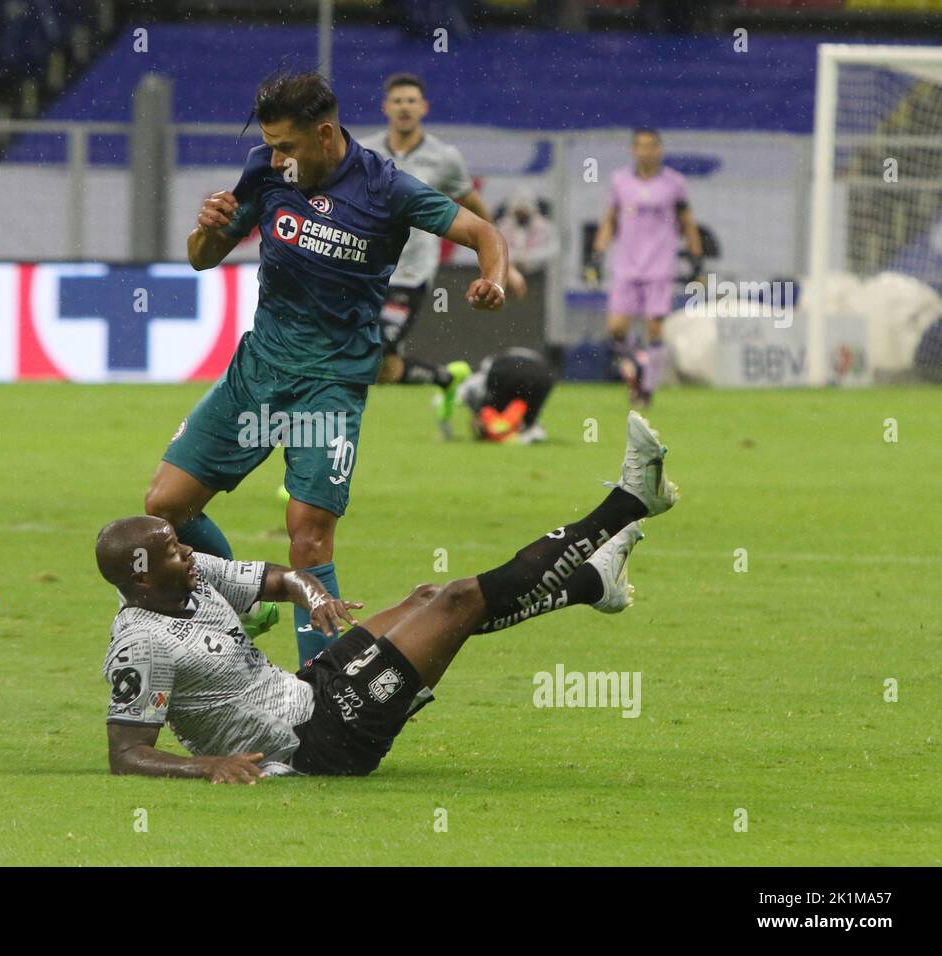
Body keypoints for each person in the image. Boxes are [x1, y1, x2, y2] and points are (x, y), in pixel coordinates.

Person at [145, 68, 524, 667]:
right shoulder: (266, 170)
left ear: (325, 135)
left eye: (286, 146)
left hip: (330, 383)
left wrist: (493, 280)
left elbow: (484, 231)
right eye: (270, 145)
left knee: (308, 532)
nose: (276, 157)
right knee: (166, 506)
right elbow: (203, 258)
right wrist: (208, 227)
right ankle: (247, 600)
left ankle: (319, 694)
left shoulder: (387, 188)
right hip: (258, 369)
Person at [100, 411, 678, 781]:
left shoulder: (189, 577)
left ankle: (591, 583)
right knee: (456, 602)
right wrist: (207, 767)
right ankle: (628, 503)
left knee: (430, 597)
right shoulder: (140, 646)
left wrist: (310, 592)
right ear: (143, 578)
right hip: (318, 744)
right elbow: (126, 754)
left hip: (309, 690)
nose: (189, 553)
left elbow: (277, 577)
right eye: (175, 551)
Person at [359, 73, 521, 438]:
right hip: (365, 270)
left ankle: (322, 450)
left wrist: (499, 262)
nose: (404, 107)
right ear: (386, 107)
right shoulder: (364, 153)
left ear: (424, 108)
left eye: (411, 100)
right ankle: (448, 379)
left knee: (371, 349)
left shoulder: (444, 158)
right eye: (397, 100)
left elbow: (473, 206)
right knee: (384, 370)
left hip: (411, 273)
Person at [587, 129, 703, 407]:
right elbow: (610, 220)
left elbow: (687, 221)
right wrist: (597, 253)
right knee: (616, 328)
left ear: (660, 150)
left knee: (654, 328)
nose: (646, 151)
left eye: (652, 146)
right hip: (626, 265)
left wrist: (697, 258)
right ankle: (638, 366)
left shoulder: (674, 183)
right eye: (641, 146)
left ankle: (646, 388)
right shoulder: (620, 182)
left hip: (660, 266)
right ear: (633, 151)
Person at [458, 347, 554, 444]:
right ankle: (530, 429)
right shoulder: (519, 359)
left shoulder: (488, 372)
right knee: (528, 416)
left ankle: (496, 430)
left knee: (494, 410)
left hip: (507, 371)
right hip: (544, 375)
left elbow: (485, 389)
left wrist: (480, 413)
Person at [496, 189, 559, 277]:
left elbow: (553, 249)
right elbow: (498, 249)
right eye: (519, 212)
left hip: (539, 274)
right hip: (510, 273)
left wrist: (528, 258)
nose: (522, 215)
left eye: (524, 211)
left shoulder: (544, 227)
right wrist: (515, 257)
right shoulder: (504, 226)